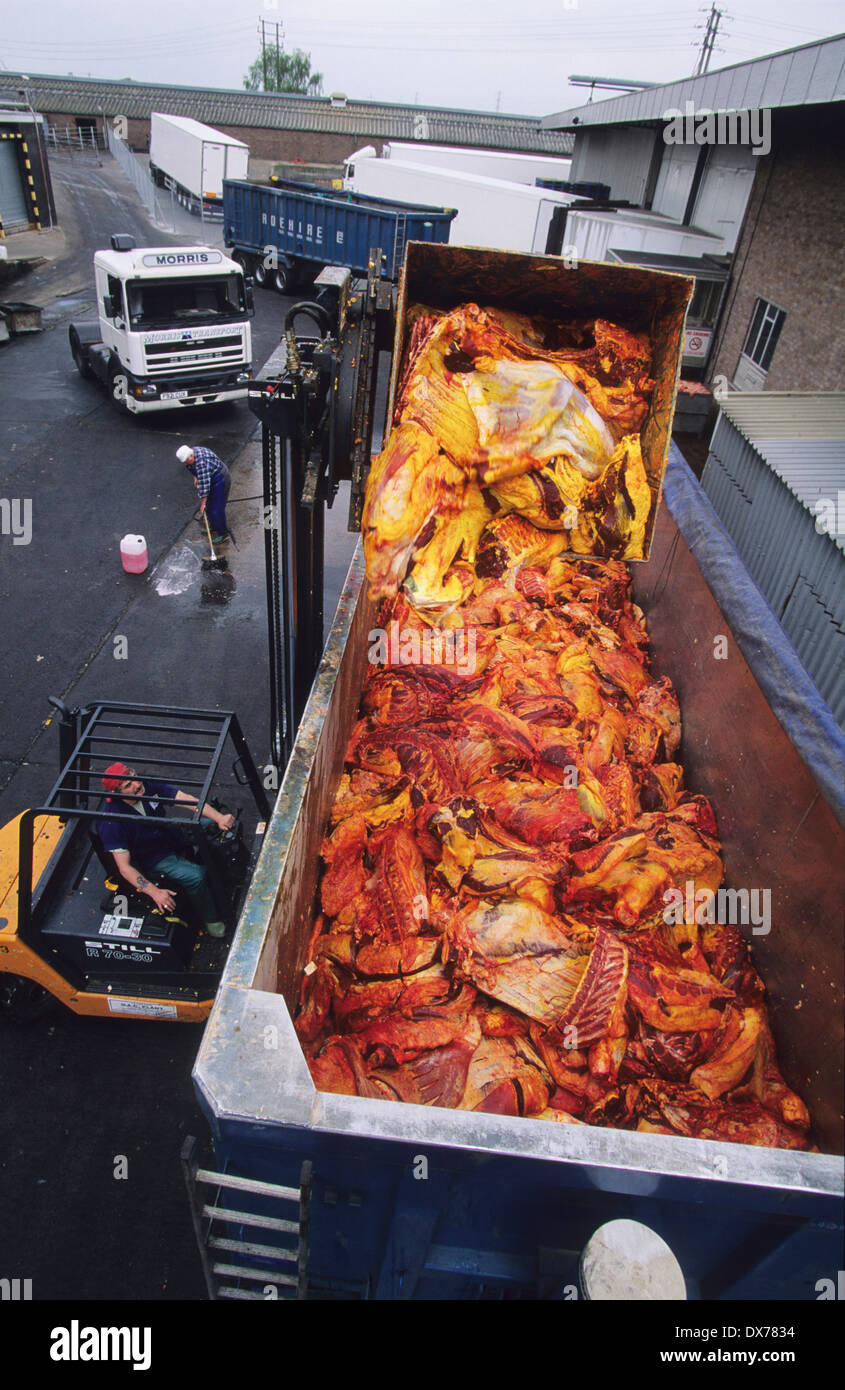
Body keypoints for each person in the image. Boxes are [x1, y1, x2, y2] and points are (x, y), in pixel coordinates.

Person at [97, 762, 236, 938]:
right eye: (127, 785)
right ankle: (211, 919)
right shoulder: (111, 822)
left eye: (133, 777)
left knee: (211, 826)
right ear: (116, 794)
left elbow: (183, 798)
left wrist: (218, 817)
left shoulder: (145, 786)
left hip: (169, 832)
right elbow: (124, 867)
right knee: (196, 876)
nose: (136, 785)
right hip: (153, 856)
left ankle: (224, 869)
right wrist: (154, 892)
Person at [177, 444, 231, 544]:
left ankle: (224, 534)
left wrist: (203, 503)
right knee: (209, 507)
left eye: (186, 462)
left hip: (219, 478)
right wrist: (195, 476)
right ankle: (214, 526)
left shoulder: (200, 464)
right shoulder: (191, 454)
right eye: (184, 463)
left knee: (216, 509)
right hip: (210, 476)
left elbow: (205, 485)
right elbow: (195, 470)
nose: (186, 464)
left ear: (191, 456)